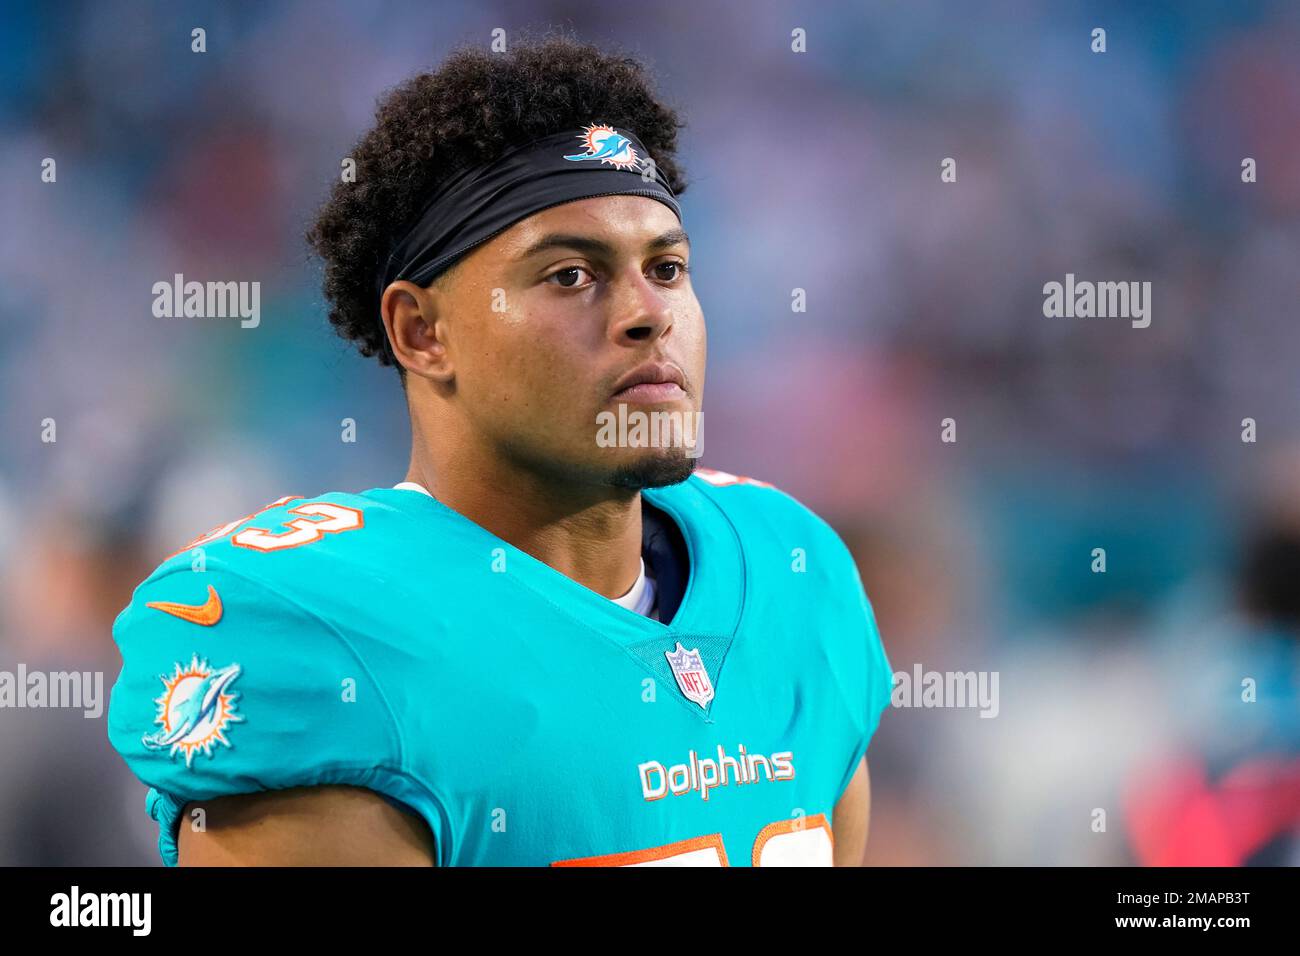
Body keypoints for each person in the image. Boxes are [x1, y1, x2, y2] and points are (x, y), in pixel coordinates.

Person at [107, 35, 892, 866]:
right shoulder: (329, 636)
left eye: (666, 268)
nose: (648, 314)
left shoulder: (789, 568)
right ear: (422, 331)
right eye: (570, 275)